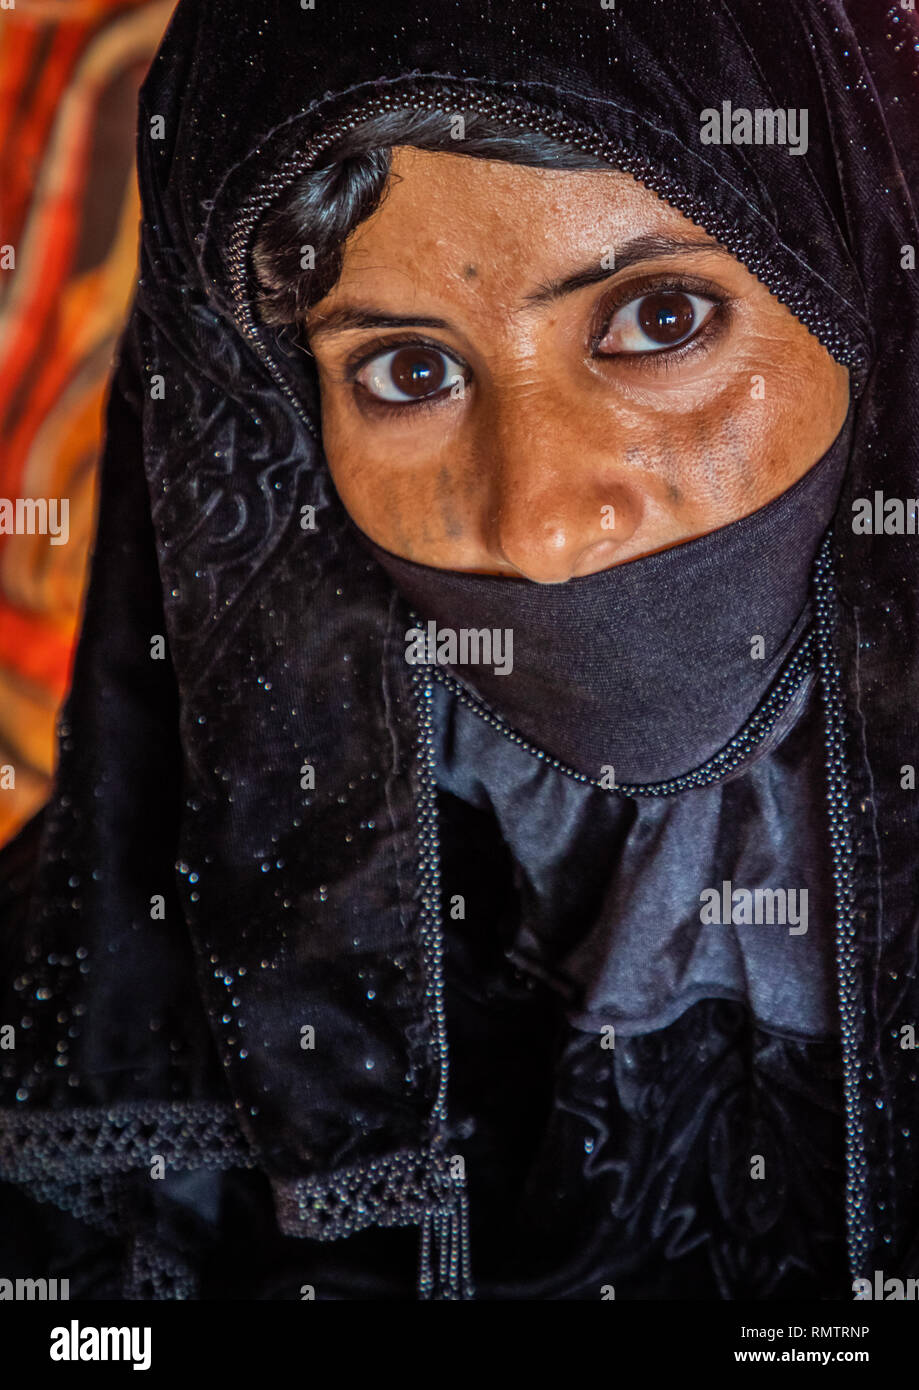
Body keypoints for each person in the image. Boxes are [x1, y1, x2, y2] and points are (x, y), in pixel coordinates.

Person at [0, 0, 916, 1301]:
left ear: (864, 287)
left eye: (659, 319)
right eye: (407, 373)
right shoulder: (136, 958)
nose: (539, 523)